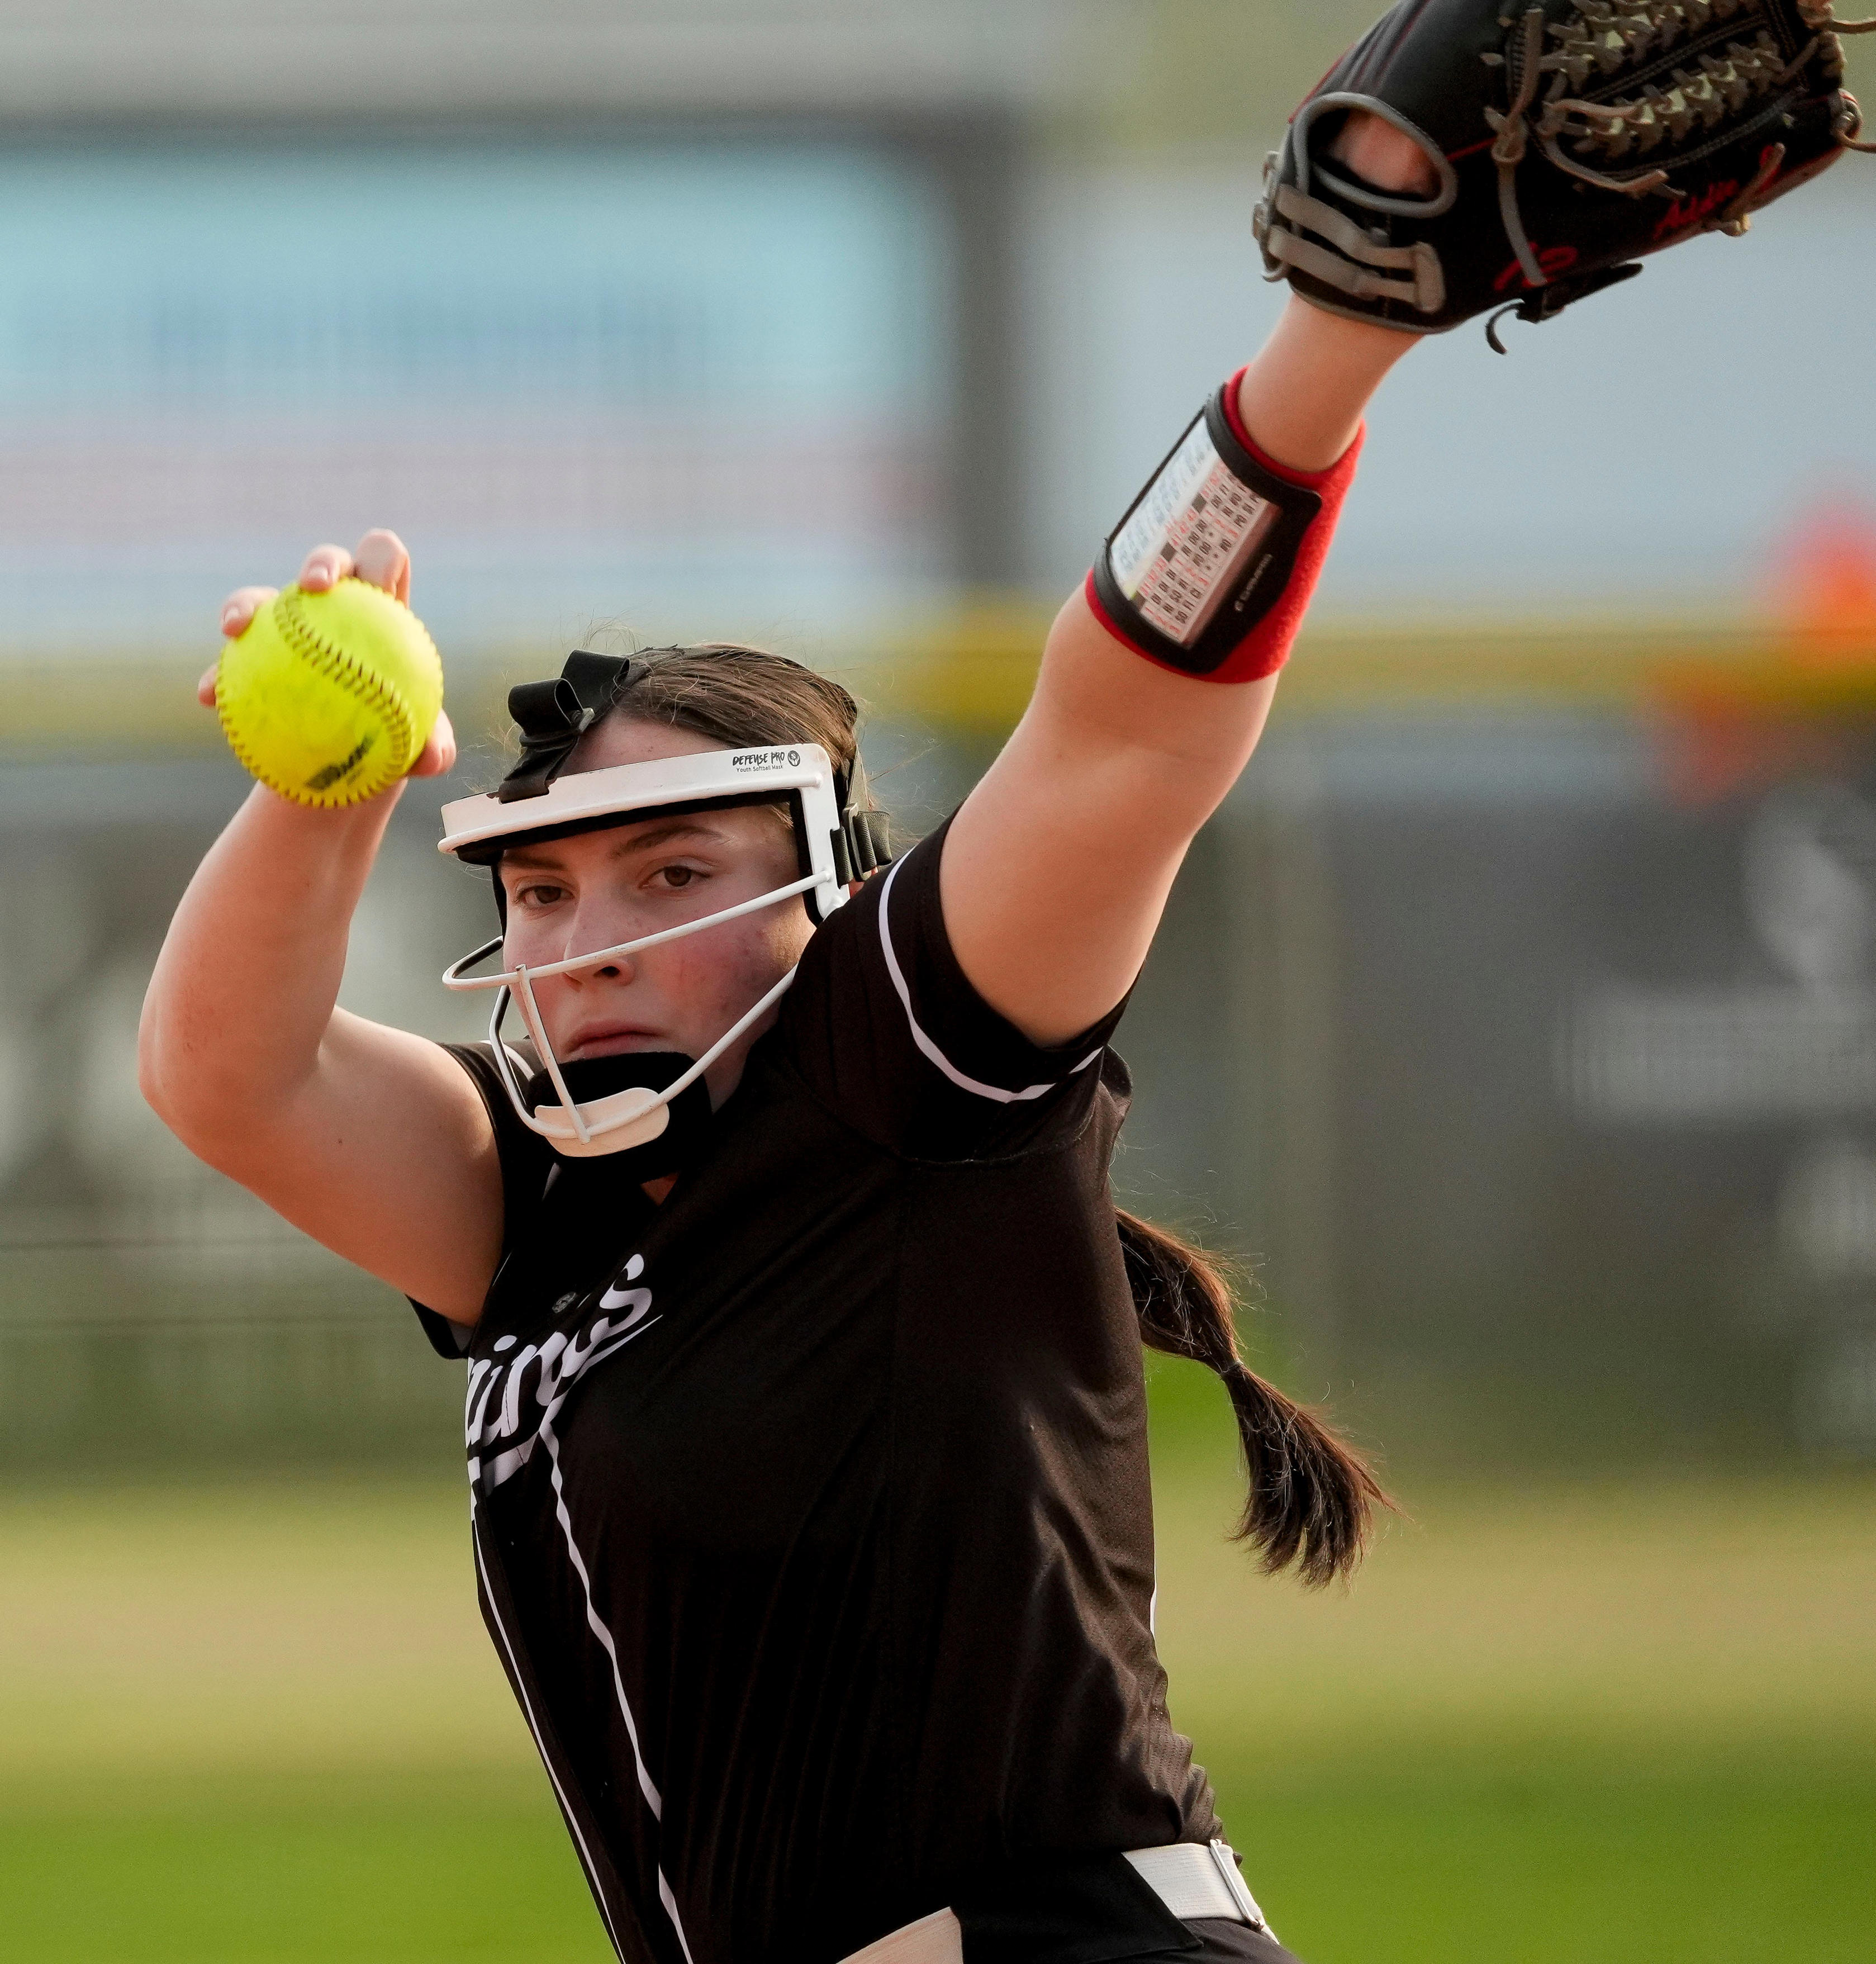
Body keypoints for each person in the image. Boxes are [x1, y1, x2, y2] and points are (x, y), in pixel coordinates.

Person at [141, 111, 1434, 1964]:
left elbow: (1128, 732)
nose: (591, 940)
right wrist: (320, 789)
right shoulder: (550, 1215)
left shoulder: (898, 1077)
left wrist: (1342, 329)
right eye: (547, 889)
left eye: (676, 869)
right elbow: (225, 1077)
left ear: (829, 897)